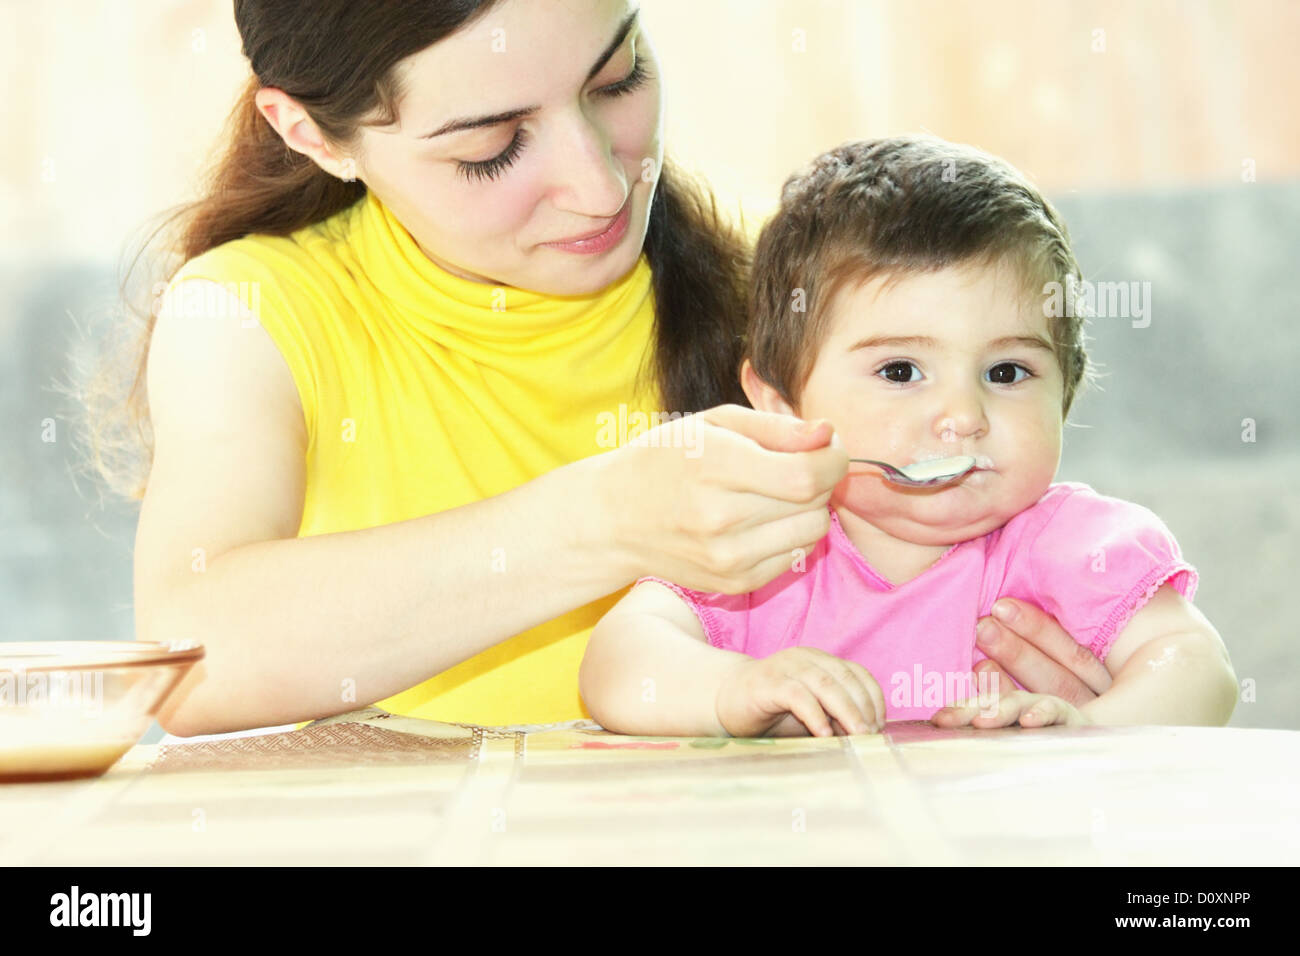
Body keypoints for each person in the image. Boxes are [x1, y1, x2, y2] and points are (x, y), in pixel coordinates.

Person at [96, 1, 1100, 737]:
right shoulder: (253, 311)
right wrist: (603, 518)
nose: (599, 183)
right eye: (492, 147)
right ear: (308, 132)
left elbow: (1000, 528)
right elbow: (189, 654)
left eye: (616, 80)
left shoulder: (788, 288)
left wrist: (1083, 697)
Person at [580, 135, 1239, 738]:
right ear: (780, 407)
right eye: (901, 371)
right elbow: (618, 664)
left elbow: (1197, 669)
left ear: (1065, 391)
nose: (963, 414)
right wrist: (736, 689)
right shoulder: (761, 549)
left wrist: (1089, 730)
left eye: (1007, 372)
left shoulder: (1067, 545)